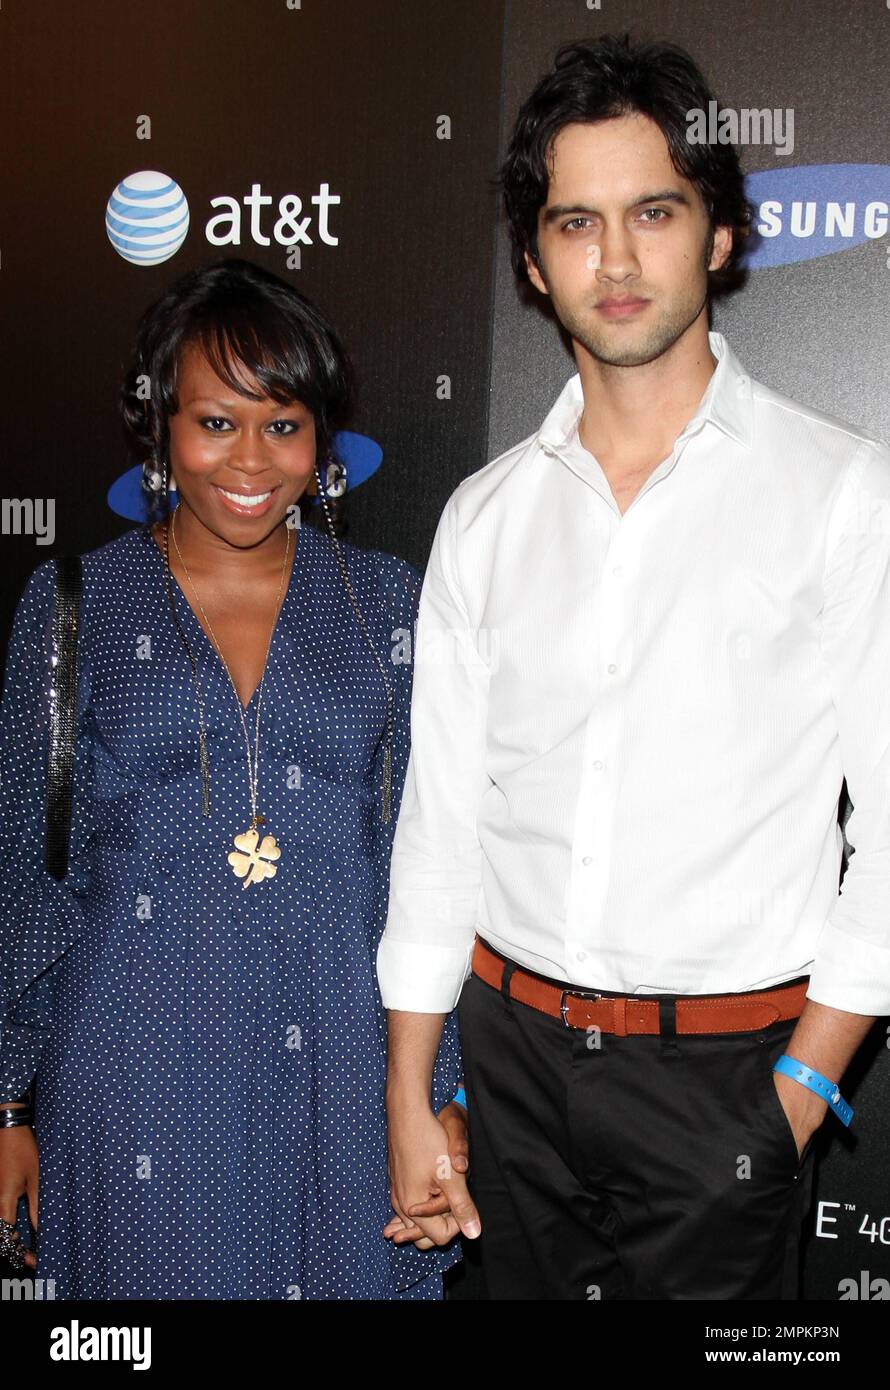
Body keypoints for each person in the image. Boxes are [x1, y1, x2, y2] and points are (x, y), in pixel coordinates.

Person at [377, 34, 890, 1299]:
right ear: (531, 260)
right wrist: (408, 1089)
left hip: (727, 1081)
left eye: (651, 212)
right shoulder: (483, 520)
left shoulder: (838, 494)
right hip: (505, 1072)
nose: (613, 260)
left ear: (716, 234)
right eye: (574, 223)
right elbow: (440, 833)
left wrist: (797, 1095)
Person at [0, 257, 466, 1300]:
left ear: (320, 440)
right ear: (159, 425)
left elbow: (421, 870)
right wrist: (2, 1107)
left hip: (344, 1063)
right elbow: (24, 868)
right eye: (215, 423)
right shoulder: (76, 602)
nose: (248, 459)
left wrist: (438, 1089)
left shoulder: (385, 601)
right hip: (131, 1067)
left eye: (283, 424)